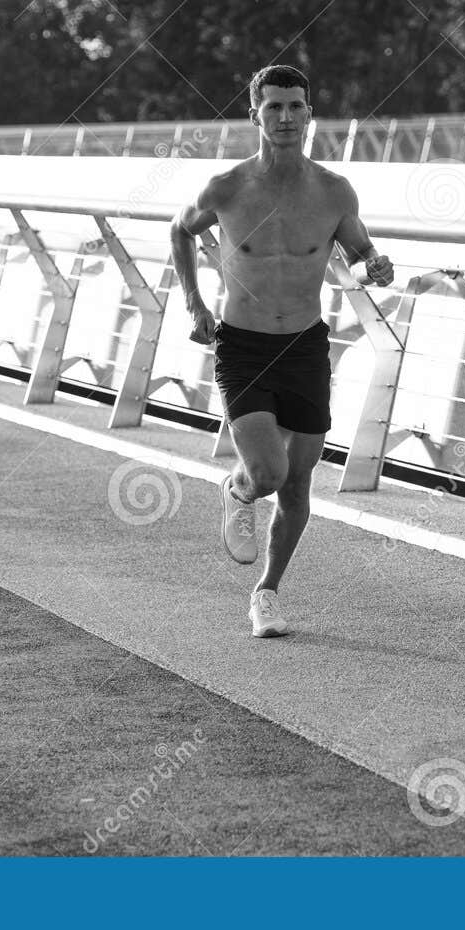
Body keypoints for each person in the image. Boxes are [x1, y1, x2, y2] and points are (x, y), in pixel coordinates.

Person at [169, 64, 394, 638]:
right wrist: (195, 304)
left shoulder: (334, 191)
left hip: (304, 346)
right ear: (255, 116)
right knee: (268, 473)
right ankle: (240, 489)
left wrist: (376, 266)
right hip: (242, 347)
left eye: (296, 106)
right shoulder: (228, 188)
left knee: (297, 482)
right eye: (274, 107)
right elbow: (180, 230)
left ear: (310, 114)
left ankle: (266, 594)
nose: (287, 117)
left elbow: (362, 250)